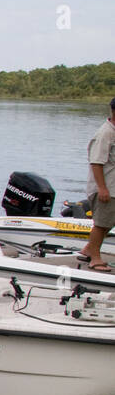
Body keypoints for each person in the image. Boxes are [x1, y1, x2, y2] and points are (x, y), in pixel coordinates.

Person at [78, 98, 115, 272]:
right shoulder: (105, 133)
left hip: (112, 188)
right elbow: (96, 162)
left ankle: (88, 249)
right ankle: (95, 258)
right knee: (101, 223)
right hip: (105, 188)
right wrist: (102, 188)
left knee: (109, 222)